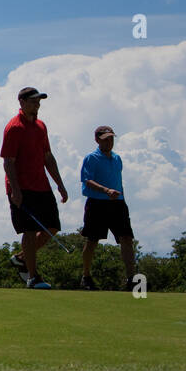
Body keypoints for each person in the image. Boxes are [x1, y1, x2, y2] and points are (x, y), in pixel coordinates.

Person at [2, 87, 68, 289]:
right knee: (29, 231)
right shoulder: (14, 127)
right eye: (33, 101)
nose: (37, 104)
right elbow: (8, 162)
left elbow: (48, 156)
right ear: (21, 102)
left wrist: (60, 184)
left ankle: (22, 258)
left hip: (42, 185)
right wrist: (16, 190)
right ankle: (33, 277)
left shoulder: (41, 126)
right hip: (22, 187)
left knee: (53, 227)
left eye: (38, 101)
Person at [79, 125, 138, 291]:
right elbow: (87, 180)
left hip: (118, 204)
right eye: (106, 139)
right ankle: (86, 276)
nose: (110, 142)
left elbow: (118, 181)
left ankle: (131, 279)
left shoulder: (117, 158)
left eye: (111, 138)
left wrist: (121, 198)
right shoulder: (91, 158)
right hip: (97, 203)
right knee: (92, 240)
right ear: (97, 140)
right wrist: (106, 190)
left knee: (126, 238)